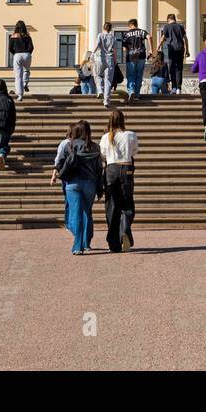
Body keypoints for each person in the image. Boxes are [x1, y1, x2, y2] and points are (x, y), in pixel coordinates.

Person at [51, 120, 104, 255]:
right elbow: (99, 169)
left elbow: (60, 163)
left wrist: (57, 175)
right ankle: (86, 243)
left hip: (72, 183)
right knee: (87, 212)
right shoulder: (95, 147)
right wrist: (100, 187)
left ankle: (77, 246)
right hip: (90, 183)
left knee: (76, 214)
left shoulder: (69, 145)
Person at [99, 109, 139, 252]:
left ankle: (114, 243)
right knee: (127, 203)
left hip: (111, 170)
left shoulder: (105, 137)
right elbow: (135, 152)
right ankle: (125, 229)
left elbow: (102, 154)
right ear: (123, 120)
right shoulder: (131, 135)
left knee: (112, 206)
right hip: (126, 169)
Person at [92, 21, 119, 108]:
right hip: (110, 60)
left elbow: (97, 45)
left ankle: (100, 91)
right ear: (110, 29)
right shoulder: (113, 37)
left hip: (100, 59)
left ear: (103, 28)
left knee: (98, 76)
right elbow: (115, 51)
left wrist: (92, 53)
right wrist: (115, 61)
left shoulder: (100, 35)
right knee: (108, 81)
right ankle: (106, 101)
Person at [158, 13, 188, 94]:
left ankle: (174, 87)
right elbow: (185, 38)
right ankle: (179, 88)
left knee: (172, 68)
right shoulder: (181, 26)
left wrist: (158, 47)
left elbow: (163, 38)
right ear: (175, 19)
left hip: (171, 49)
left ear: (168, 20)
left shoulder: (167, 26)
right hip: (180, 49)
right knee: (179, 69)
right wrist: (187, 50)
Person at [122, 18, 150, 100]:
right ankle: (137, 94)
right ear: (136, 24)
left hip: (131, 58)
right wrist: (151, 49)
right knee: (139, 75)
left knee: (131, 75)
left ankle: (131, 91)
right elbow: (149, 37)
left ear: (130, 25)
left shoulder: (126, 34)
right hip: (141, 56)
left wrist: (127, 51)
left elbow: (124, 49)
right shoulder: (142, 32)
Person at [9, 20, 34, 98]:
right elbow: (31, 47)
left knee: (18, 76)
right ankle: (25, 83)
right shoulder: (27, 36)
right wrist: (28, 53)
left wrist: (15, 53)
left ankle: (20, 95)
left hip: (17, 55)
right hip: (27, 55)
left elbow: (10, 48)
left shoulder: (13, 36)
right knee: (26, 70)